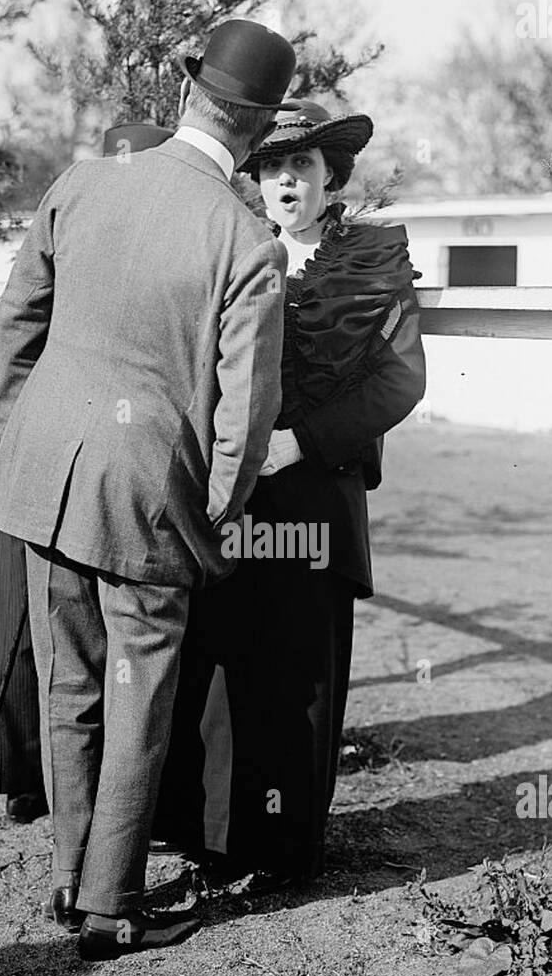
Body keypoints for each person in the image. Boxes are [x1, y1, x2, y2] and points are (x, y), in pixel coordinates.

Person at [0, 20, 296, 958]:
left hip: (45, 476)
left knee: (69, 679)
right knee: (136, 692)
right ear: (263, 125)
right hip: (147, 496)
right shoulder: (246, 240)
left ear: (190, 88)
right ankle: (111, 907)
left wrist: (31, 435)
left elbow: (13, 330)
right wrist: (215, 506)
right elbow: (244, 414)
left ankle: (72, 878)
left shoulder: (83, 181)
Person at [154, 100, 426, 892]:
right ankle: (213, 838)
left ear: (329, 175)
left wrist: (299, 442)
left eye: (301, 167)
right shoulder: (238, 249)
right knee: (223, 659)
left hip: (313, 493)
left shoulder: (373, 257)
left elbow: (400, 378)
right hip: (234, 490)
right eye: (272, 167)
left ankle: (283, 850)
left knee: (298, 673)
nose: (285, 181)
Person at [0, 122, 173, 826]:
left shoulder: (150, 239)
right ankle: (36, 793)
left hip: (79, 461)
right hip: (44, 457)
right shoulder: (80, 223)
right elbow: (17, 326)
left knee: (87, 658)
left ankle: (84, 843)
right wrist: (22, 423)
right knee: (40, 644)